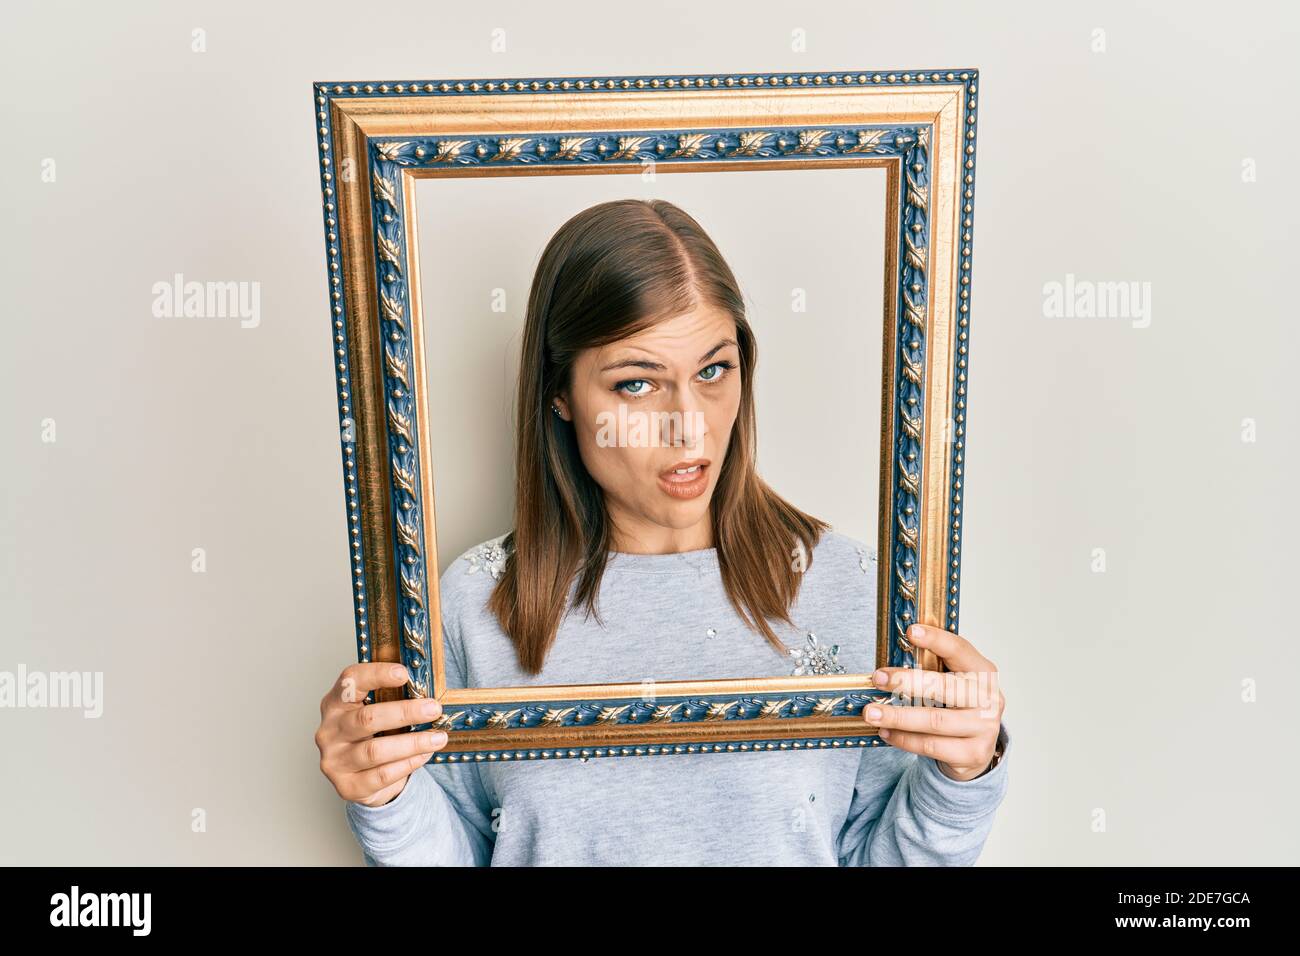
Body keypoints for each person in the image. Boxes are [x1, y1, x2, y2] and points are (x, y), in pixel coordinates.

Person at [315, 198, 1010, 866]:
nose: (691, 426)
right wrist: (384, 792)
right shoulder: (474, 604)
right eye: (637, 384)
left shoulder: (854, 587)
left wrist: (964, 775)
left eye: (714, 370)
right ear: (559, 394)